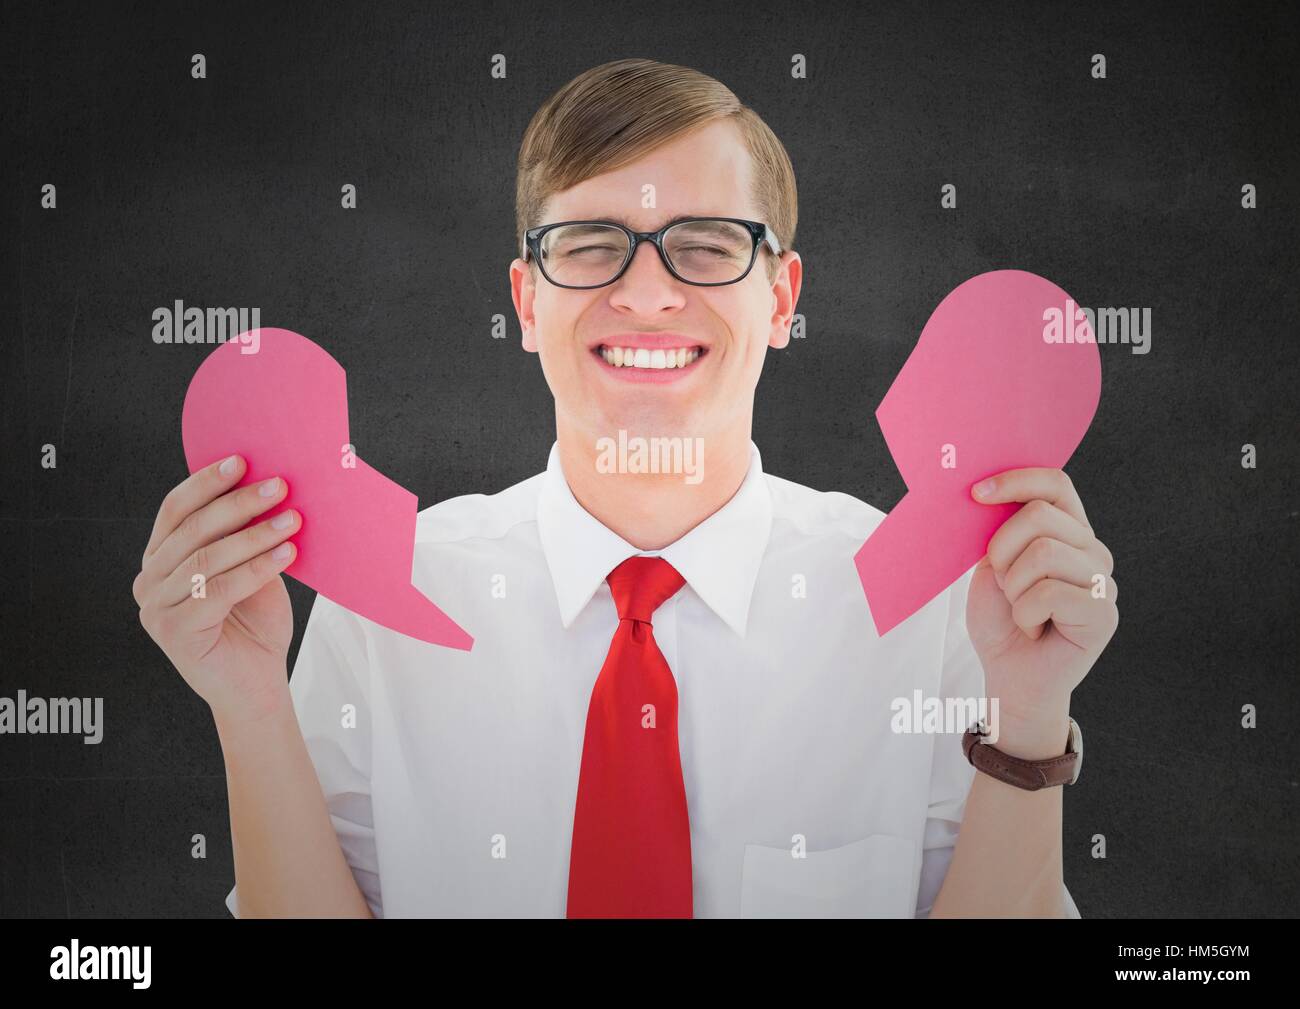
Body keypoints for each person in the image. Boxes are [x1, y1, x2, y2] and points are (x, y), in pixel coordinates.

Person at [132, 58, 1117, 918]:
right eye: (590, 243)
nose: (646, 292)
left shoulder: (938, 613)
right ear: (526, 300)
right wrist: (248, 702)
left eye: (706, 242)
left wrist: (1029, 714)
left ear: (779, 297)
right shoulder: (389, 600)